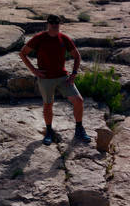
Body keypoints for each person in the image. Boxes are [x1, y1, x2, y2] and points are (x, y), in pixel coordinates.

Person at [21, 14, 87, 144]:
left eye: (57, 25)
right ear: (48, 25)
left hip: (63, 77)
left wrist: (73, 74)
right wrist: (34, 70)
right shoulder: (39, 38)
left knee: (78, 100)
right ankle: (49, 131)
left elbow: (77, 56)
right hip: (46, 78)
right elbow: (23, 53)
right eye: (52, 25)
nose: (55, 27)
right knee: (48, 104)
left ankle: (79, 128)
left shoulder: (63, 38)